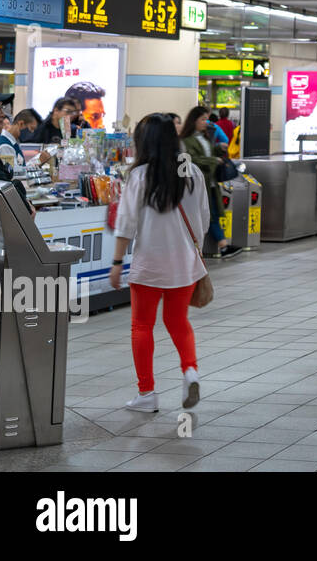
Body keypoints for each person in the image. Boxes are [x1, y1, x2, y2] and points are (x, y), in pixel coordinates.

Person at [108, 113, 211, 413]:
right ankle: (190, 370)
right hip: (185, 263)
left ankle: (147, 394)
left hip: (150, 262)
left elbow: (126, 224)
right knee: (178, 321)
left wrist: (116, 262)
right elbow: (203, 219)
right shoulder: (191, 171)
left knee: (142, 325)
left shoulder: (140, 175)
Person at [181, 105, 238, 258]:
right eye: (203, 119)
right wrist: (213, 160)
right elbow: (192, 160)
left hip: (210, 182)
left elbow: (207, 154)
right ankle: (222, 245)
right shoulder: (187, 140)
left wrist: (219, 149)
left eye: (207, 119)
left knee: (212, 213)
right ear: (194, 121)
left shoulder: (205, 137)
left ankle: (217, 245)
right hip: (199, 184)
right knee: (209, 213)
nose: (206, 122)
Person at [0, 108, 37, 177]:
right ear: (21, 124)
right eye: (31, 129)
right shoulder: (5, 146)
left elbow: (19, 166)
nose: (32, 133)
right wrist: (37, 163)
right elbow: (13, 174)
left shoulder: (13, 142)